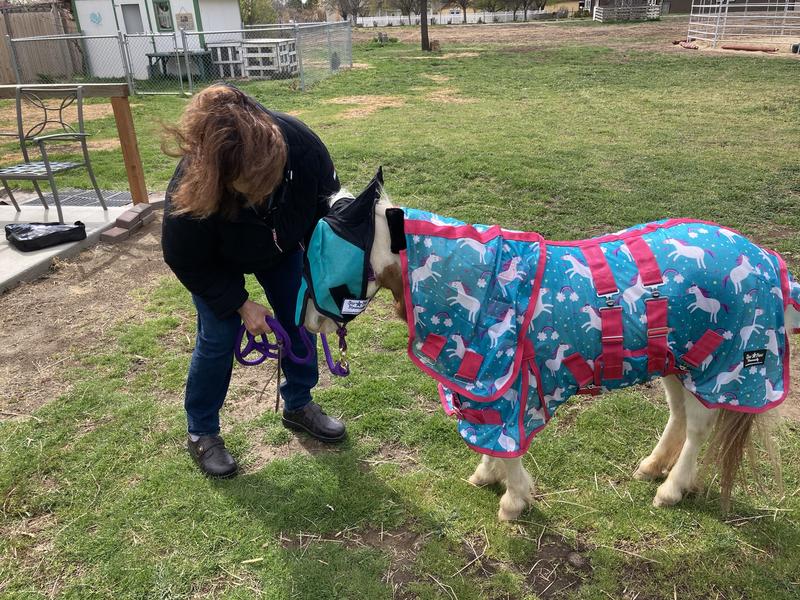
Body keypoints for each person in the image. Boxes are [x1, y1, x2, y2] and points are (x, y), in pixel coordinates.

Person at [161, 84, 345, 478]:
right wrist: (240, 304)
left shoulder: (302, 145)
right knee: (218, 335)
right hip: (216, 258)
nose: (263, 198)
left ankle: (298, 404)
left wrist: (325, 279)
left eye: (271, 185)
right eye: (250, 190)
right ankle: (201, 431)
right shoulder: (192, 183)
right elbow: (184, 258)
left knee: (299, 316)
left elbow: (327, 209)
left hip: (281, 248)